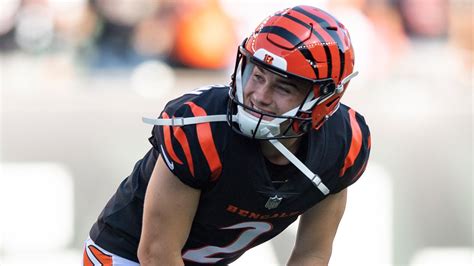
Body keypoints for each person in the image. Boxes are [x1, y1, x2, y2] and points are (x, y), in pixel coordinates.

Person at [83, 5, 371, 266]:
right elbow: (157, 253)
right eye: (257, 76)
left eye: (283, 88)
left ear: (325, 98)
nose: (260, 96)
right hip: (126, 257)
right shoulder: (200, 127)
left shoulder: (343, 145)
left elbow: (312, 254)